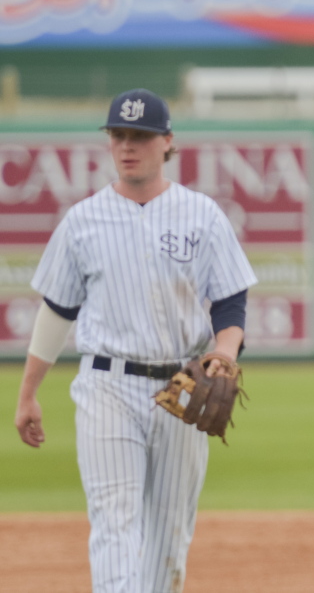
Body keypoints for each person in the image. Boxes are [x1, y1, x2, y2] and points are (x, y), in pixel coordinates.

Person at [14, 89, 258, 593]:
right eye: (118, 136)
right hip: (106, 385)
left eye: (141, 136)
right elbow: (58, 310)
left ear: (167, 142)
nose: (128, 146)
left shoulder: (202, 215)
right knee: (114, 520)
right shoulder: (82, 221)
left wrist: (223, 353)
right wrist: (28, 392)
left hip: (182, 386)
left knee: (170, 534)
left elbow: (232, 303)